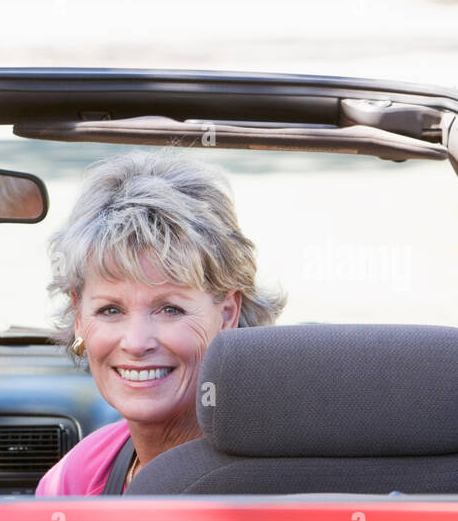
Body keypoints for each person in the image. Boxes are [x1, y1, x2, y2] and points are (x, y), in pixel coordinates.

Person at [37, 151, 286, 496]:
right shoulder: (79, 476)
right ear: (79, 317)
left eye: (170, 309)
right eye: (111, 310)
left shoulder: (278, 479)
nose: (137, 343)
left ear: (227, 313)